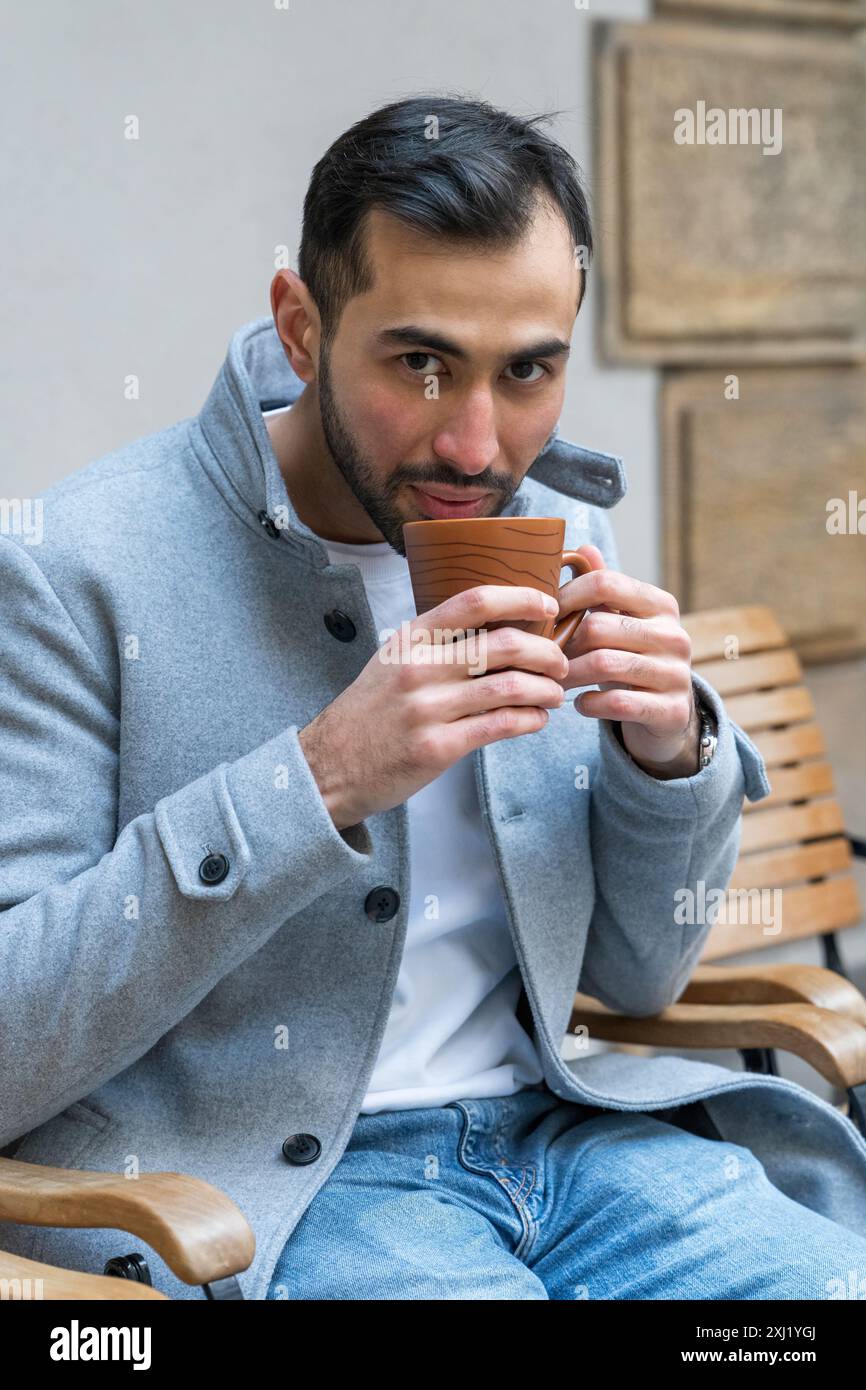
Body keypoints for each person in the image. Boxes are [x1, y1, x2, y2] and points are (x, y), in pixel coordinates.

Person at [2, 94, 865, 1301]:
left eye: (528, 371)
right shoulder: (71, 567)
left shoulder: (560, 533)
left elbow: (638, 980)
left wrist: (667, 756)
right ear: (300, 329)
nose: (475, 443)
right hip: (286, 1190)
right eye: (421, 363)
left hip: (568, 1139)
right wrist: (319, 780)